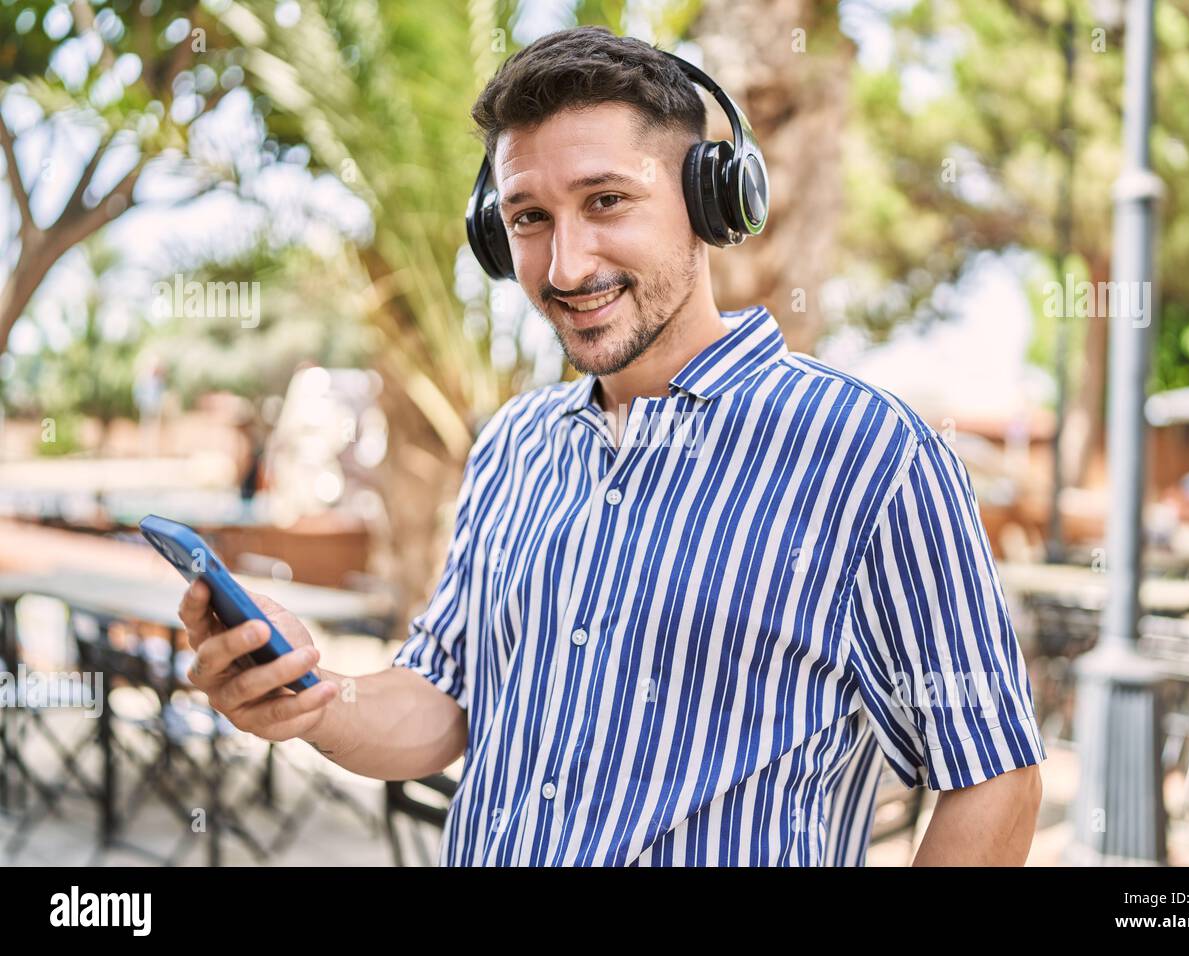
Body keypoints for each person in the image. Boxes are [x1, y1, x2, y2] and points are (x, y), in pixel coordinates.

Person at [179, 26, 1044, 866]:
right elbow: (445, 702)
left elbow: (994, 777)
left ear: (711, 199)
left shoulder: (866, 451)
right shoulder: (515, 445)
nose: (565, 264)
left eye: (606, 201)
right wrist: (312, 699)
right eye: (528, 217)